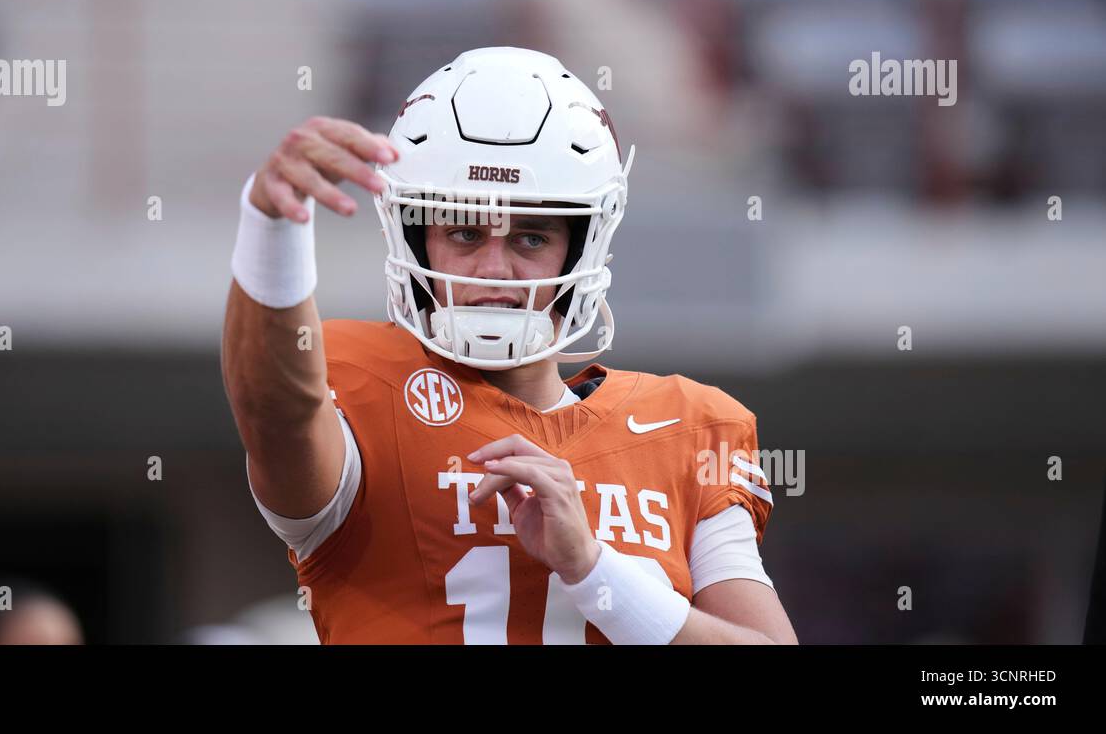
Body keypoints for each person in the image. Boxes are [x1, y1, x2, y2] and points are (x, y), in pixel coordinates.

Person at [222, 46, 797, 644]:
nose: (495, 269)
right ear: (418, 242)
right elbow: (274, 409)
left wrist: (593, 570)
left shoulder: (686, 428)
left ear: (580, 248)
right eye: (465, 232)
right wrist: (270, 224)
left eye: (530, 237)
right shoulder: (362, 389)